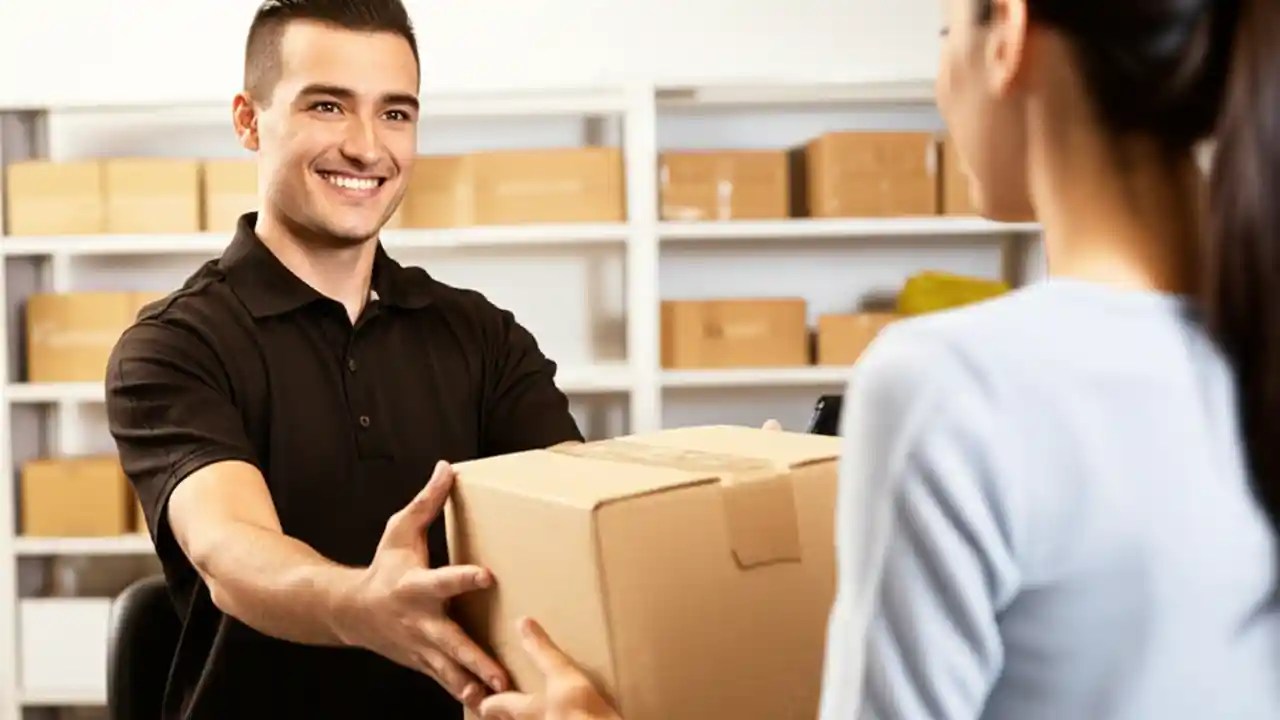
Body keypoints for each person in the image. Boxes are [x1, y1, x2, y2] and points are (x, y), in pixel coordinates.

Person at [474, 0, 1280, 718]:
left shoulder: (951, 381)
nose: (940, 83)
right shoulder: (1249, 345)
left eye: (942, 32)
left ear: (1010, 33)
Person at [104, 1, 587, 718]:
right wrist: (360, 603)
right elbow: (231, 553)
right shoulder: (175, 347)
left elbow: (575, 525)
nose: (367, 148)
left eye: (395, 114)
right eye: (328, 106)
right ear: (248, 120)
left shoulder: (483, 337)